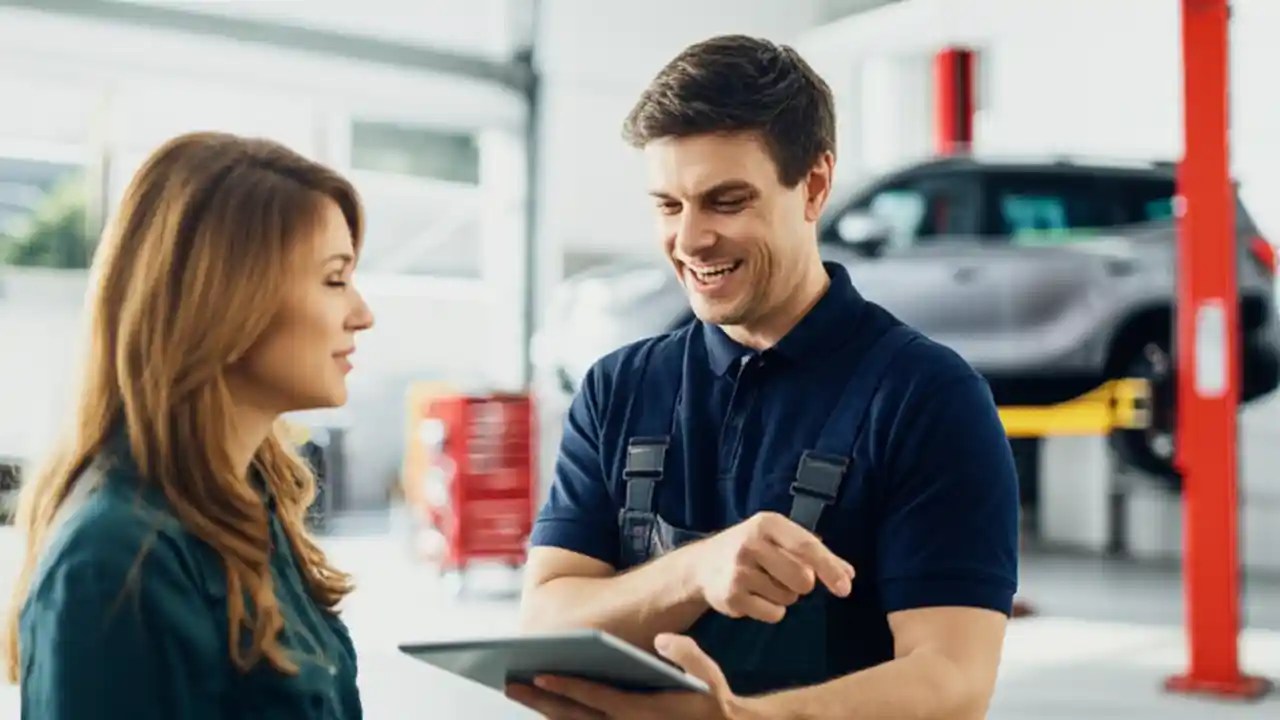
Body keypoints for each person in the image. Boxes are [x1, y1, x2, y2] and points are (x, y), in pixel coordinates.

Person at [510, 35, 1019, 720]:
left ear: (813, 185)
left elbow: (953, 683)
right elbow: (543, 623)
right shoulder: (618, 389)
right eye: (668, 205)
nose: (690, 241)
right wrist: (694, 571)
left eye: (725, 201)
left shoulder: (926, 397)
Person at [2, 131, 376, 719]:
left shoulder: (250, 504)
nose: (363, 314)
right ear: (225, 299)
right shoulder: (116, 562)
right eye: (335, 279)